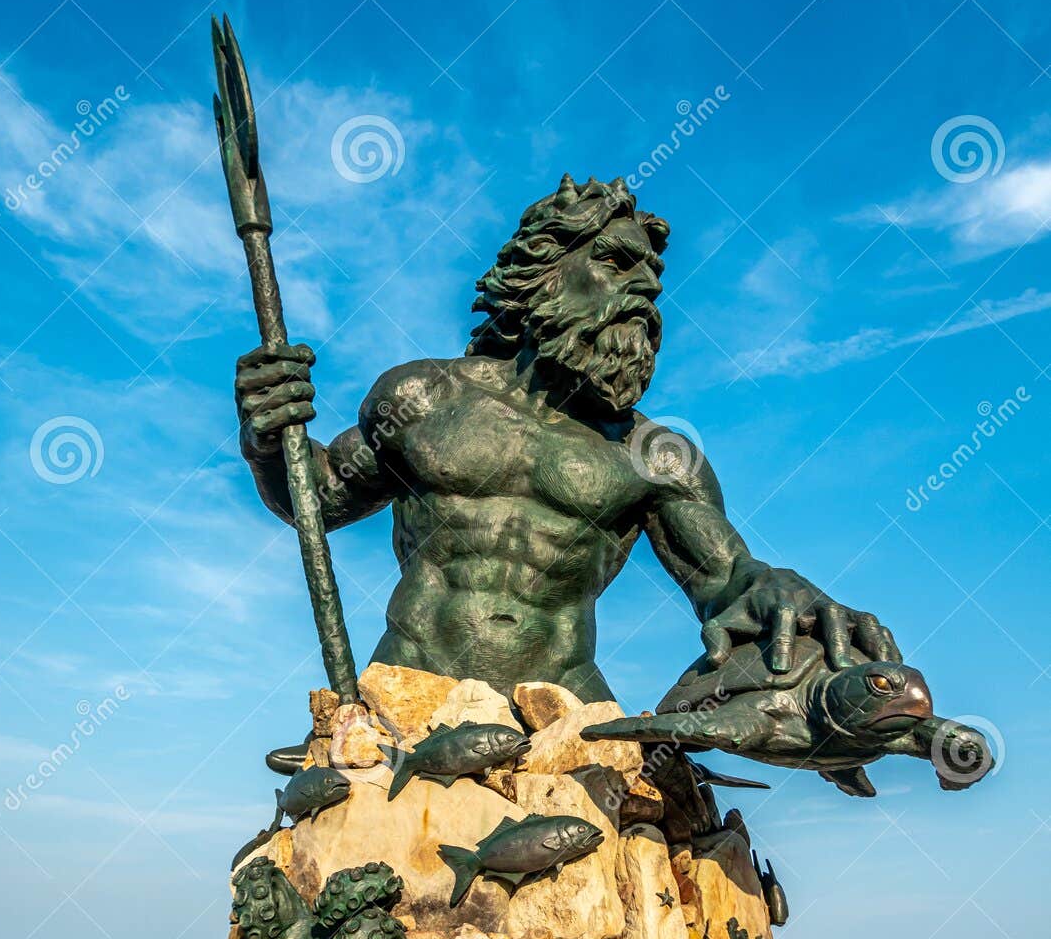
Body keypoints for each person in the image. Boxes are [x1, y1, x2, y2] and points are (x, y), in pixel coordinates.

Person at [236, 175, 900, 701]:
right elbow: (314, 502)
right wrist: (269, 439)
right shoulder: (423, 395)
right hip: (409, 691)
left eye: (653, 279)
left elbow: (727, 578)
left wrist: (779, 587)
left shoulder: (655, 456)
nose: (643, 287)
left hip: (564, 706)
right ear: (545, 271)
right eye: (615, 262)